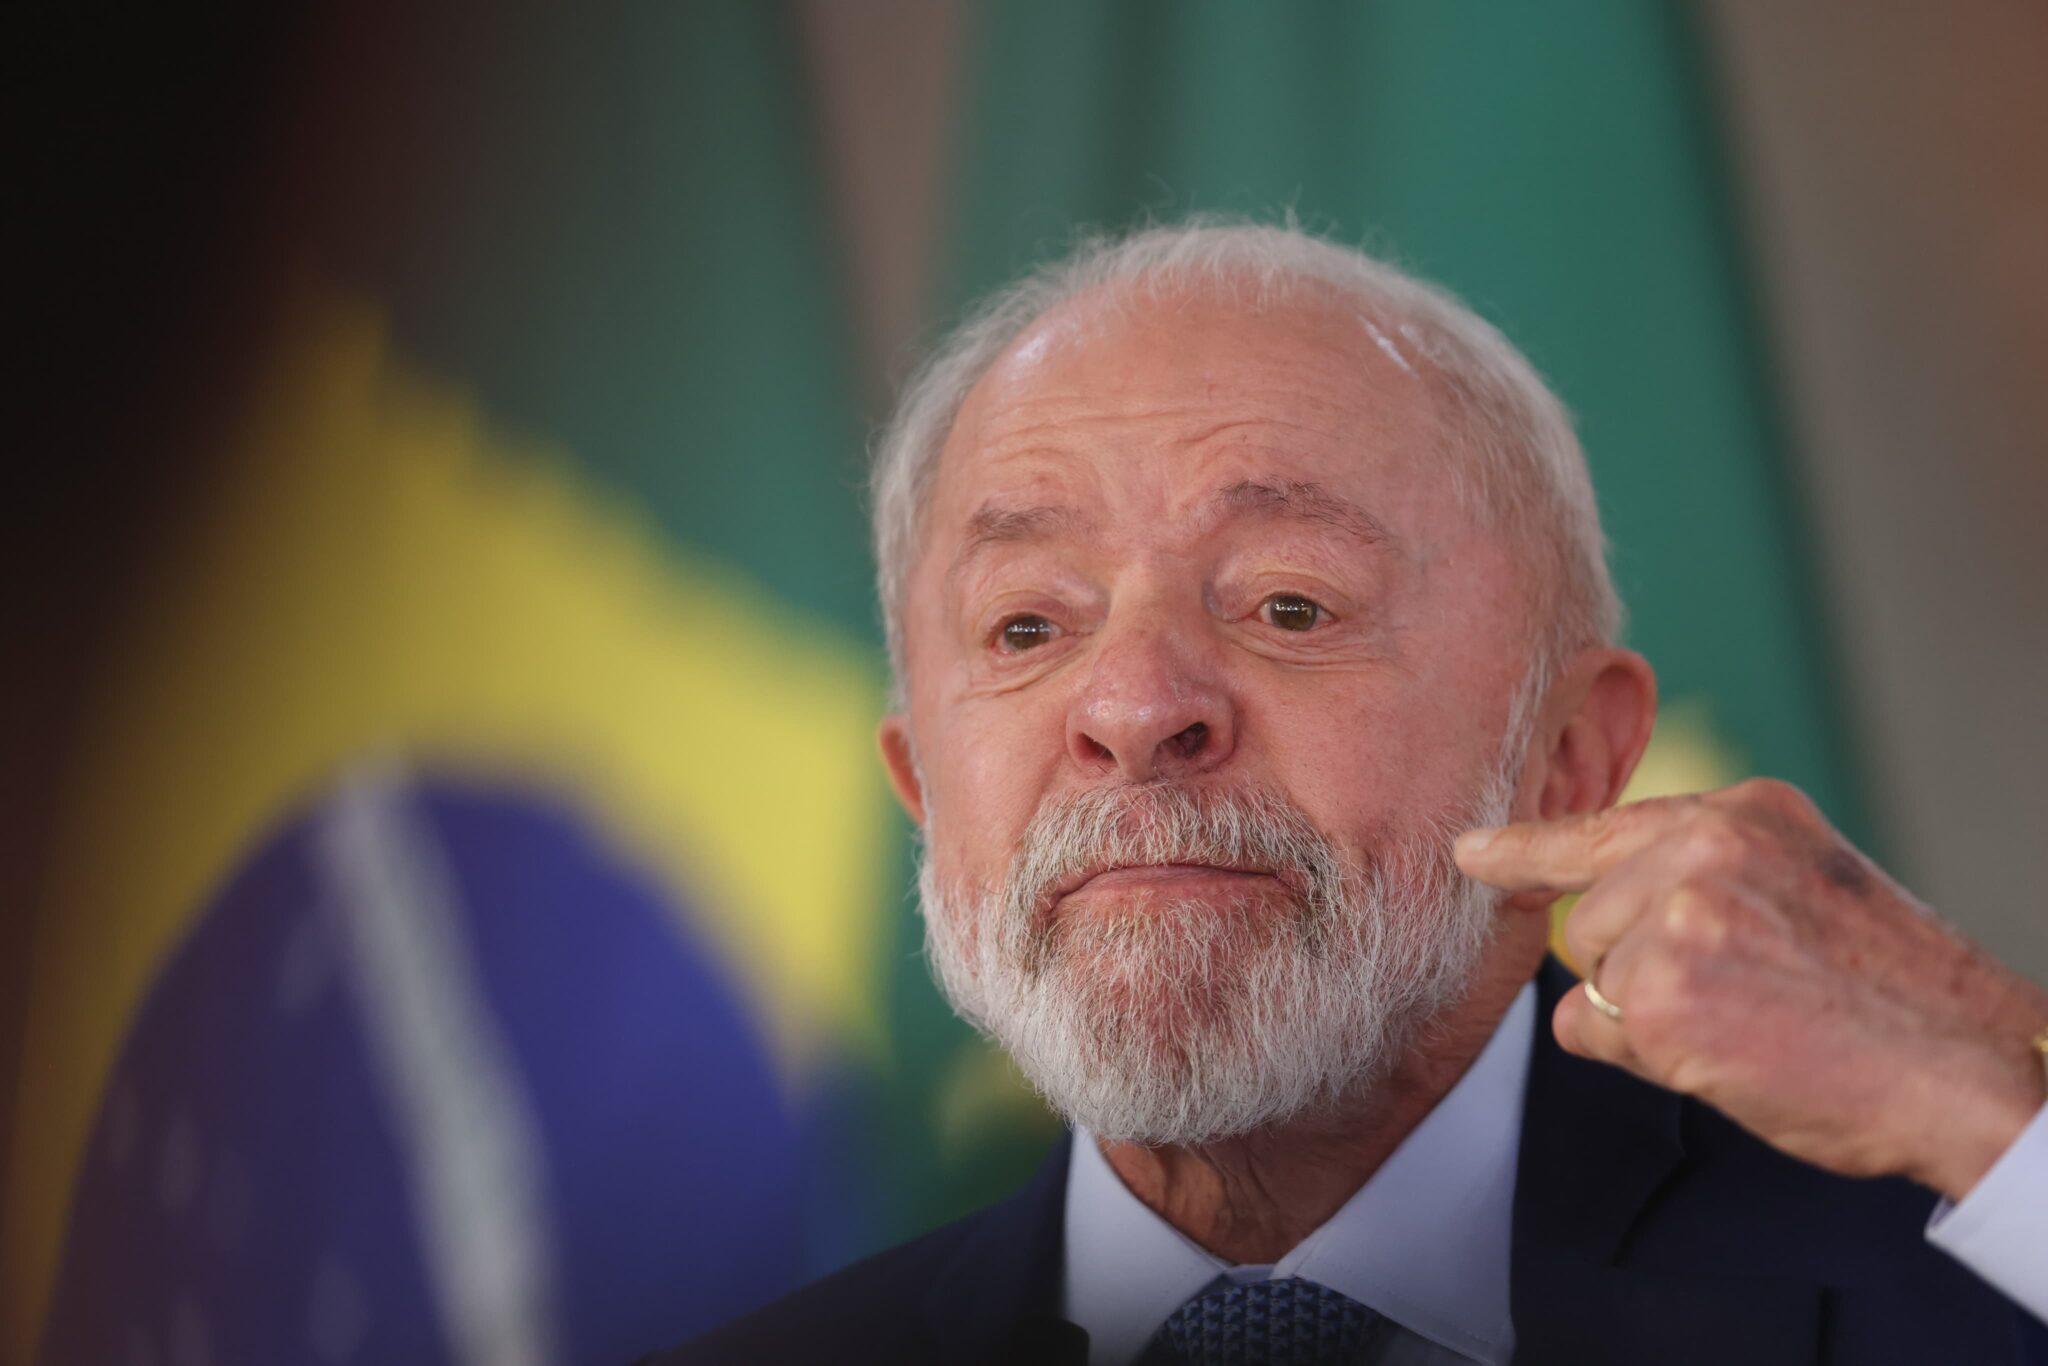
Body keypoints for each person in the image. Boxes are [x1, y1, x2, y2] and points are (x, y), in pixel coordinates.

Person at [650, 222, 2048, 1365]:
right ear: (923, 792)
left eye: (1290, 604)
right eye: (1026, 626)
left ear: (1569, 754)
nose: (1132, 710)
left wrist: (2001, 1108)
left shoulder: (1984, 1287)